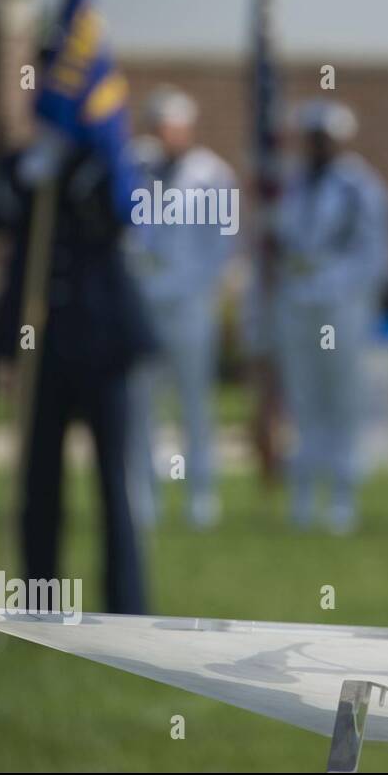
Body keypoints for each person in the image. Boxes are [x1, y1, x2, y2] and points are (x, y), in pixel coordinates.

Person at [0, 130, 155, 612]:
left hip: (103, 345)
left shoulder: (108, 160)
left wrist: (76, 175)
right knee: (39, 480)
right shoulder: (18, 166)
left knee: (115, 480)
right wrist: (20, 184)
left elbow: (126, 216)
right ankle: (40, 601)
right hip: (43, 349)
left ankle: (127, 605)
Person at [270, 100, 388, 534]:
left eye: (325, 138)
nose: (317, 145)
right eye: (312, 137)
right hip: (297, 303)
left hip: (340, 308)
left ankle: (342, 496)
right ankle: (303, 494)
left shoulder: (361, 188)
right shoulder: (293, 182)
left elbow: (374, 255)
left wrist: (330, 282)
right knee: (303, 401)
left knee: (342, 402)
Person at [125, 86, 237, 529]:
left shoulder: (213, 175)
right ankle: (143, 498)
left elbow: (223, 246)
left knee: (195, 401)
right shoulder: (132, 167)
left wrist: (194, 286)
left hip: (190, 304)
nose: (165, 136)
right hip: (143, 301)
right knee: (142, 404)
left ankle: (201, 496)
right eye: (158, 127)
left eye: (172, 128)